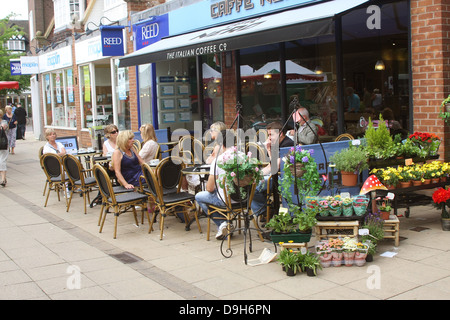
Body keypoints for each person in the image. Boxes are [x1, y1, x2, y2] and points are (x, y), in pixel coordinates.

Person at [195, 130, 236, 240]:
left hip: (225, 201)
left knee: (199, 197)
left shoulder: (218, 161)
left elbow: (209, 188)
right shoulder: (244, 157)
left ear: (222, 145)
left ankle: (222, 223)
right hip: (244, 200)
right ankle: (226, 223)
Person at [252, 121, 294, 220]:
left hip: (285, 179)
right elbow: (271, 165)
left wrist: (269, 150)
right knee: (251, 184)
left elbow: (275, 166)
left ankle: (266, 211)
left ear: (280, 134)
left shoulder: (287, 144)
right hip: (277, 176)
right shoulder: (278, 144)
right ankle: (267, 210)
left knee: (254, 186)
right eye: (268, 135)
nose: (269, 137)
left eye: (271, 134)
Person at [0, 110, 9, 187]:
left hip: (3, 144)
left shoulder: (4, 122)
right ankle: (4, 178)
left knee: (2, 161)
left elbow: (2, 128)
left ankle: (3, 179)